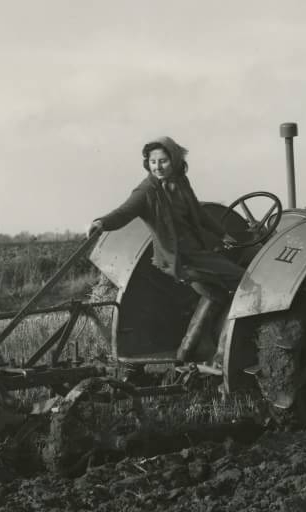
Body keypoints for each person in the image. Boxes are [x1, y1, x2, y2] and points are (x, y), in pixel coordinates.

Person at [87, 136, 246, 376]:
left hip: (198, 252)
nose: (158, 167)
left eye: (163, 161)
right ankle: (212, 355)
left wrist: (222, 234)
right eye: (153, 162)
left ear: (174, 161)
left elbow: (199, 214)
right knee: (242, 280)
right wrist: (101, 222)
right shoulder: (146, 191)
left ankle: (186, 355)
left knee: (215, 294)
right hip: (178, 260)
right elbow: (123, 212)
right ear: (147, 163)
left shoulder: (181, 183)